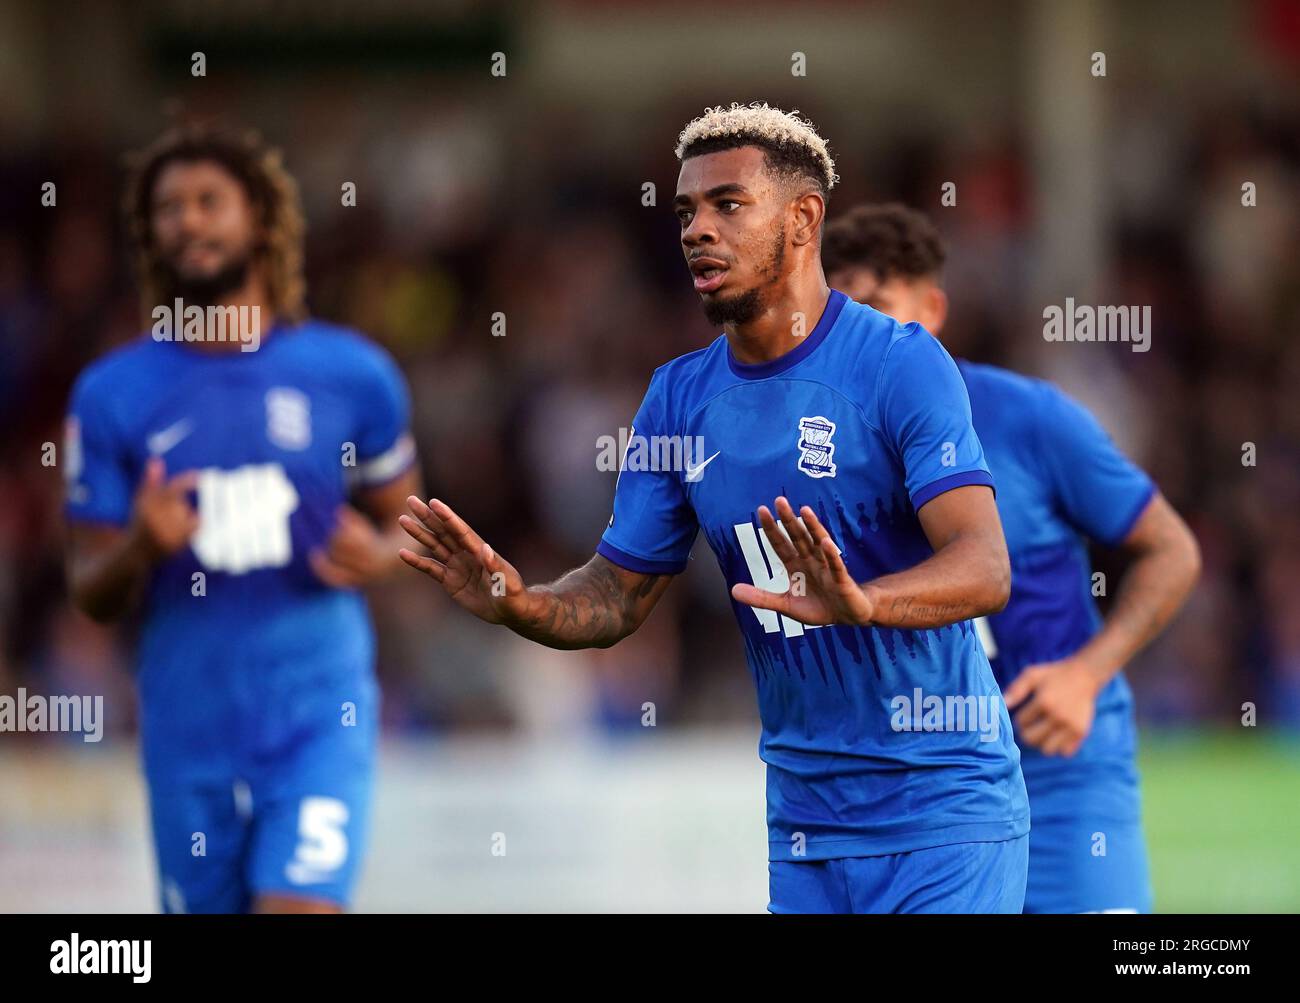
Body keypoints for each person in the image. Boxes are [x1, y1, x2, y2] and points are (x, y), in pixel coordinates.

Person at [399, 104, 1029, 913]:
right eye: (687, 211)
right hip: (806, 828)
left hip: (945, 814)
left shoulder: (901, 366)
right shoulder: (678, 399)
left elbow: (985, 566)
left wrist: (864, 604)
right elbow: (618, 593)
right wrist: (519, 602)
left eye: (727, 205)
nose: (698, 229)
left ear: (803, 219)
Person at [63, 124, 420, 913]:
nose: (188, 221)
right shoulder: (112, 393)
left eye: (208, 202)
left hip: (317, 712)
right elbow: (89, 586)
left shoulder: (353, 376)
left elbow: (411, 527)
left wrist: (381, 554)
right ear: (150, 234)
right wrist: (139, 547)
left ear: (258, 217)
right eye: (168, 208)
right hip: (189, 726)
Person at [823, 201, 1201, 912]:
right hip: (924, 785)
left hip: (1057, 767)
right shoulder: (818, 449)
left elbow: (1171, 548)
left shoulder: (1029, 418)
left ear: (932, 309)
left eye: (875, 307)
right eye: (836, 314)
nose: (853, 335)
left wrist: (1087, 674)